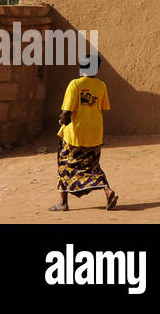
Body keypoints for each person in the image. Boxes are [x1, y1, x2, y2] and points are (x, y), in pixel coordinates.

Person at [50, 65, 118, 211]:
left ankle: (63, 203)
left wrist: (61, 120)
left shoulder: (75, 84)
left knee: (65, 165)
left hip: (76, 134)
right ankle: (107, 190)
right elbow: (103, 107)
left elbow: (67, 111)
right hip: (95, 133)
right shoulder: (101, 85)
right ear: (96, 69)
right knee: (92, 165)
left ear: (81, 68)